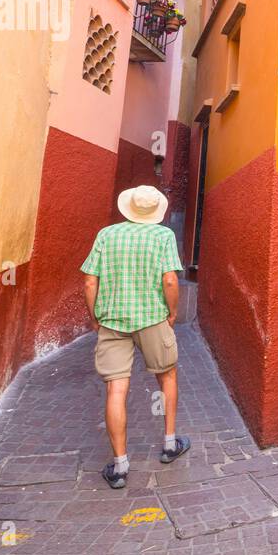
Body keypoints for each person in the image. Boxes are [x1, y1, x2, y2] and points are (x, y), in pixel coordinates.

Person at [81, 186, 190, 489]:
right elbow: (169, 279)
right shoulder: (163, 236)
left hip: (113, 319)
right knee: (167, 376)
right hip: (153, 317)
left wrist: (95, 317)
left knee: (116, 388)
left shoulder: (107, 235)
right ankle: (170, 443)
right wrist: (172, 313)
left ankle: (120, 466)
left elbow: (90, 281)